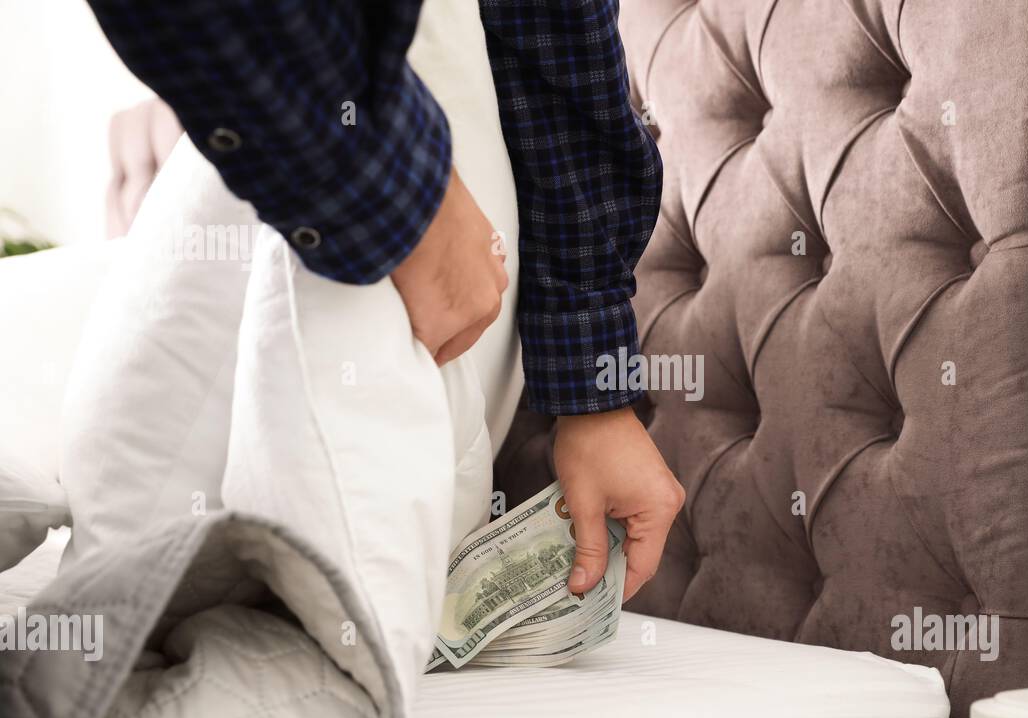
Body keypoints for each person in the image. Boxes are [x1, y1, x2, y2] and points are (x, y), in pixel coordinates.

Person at [86, 0, 684, 601]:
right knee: (135, 567)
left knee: (305, 595)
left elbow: (554, 49)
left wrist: (597, 400)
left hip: (418, 222)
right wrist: (408, 194)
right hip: (374, 183)